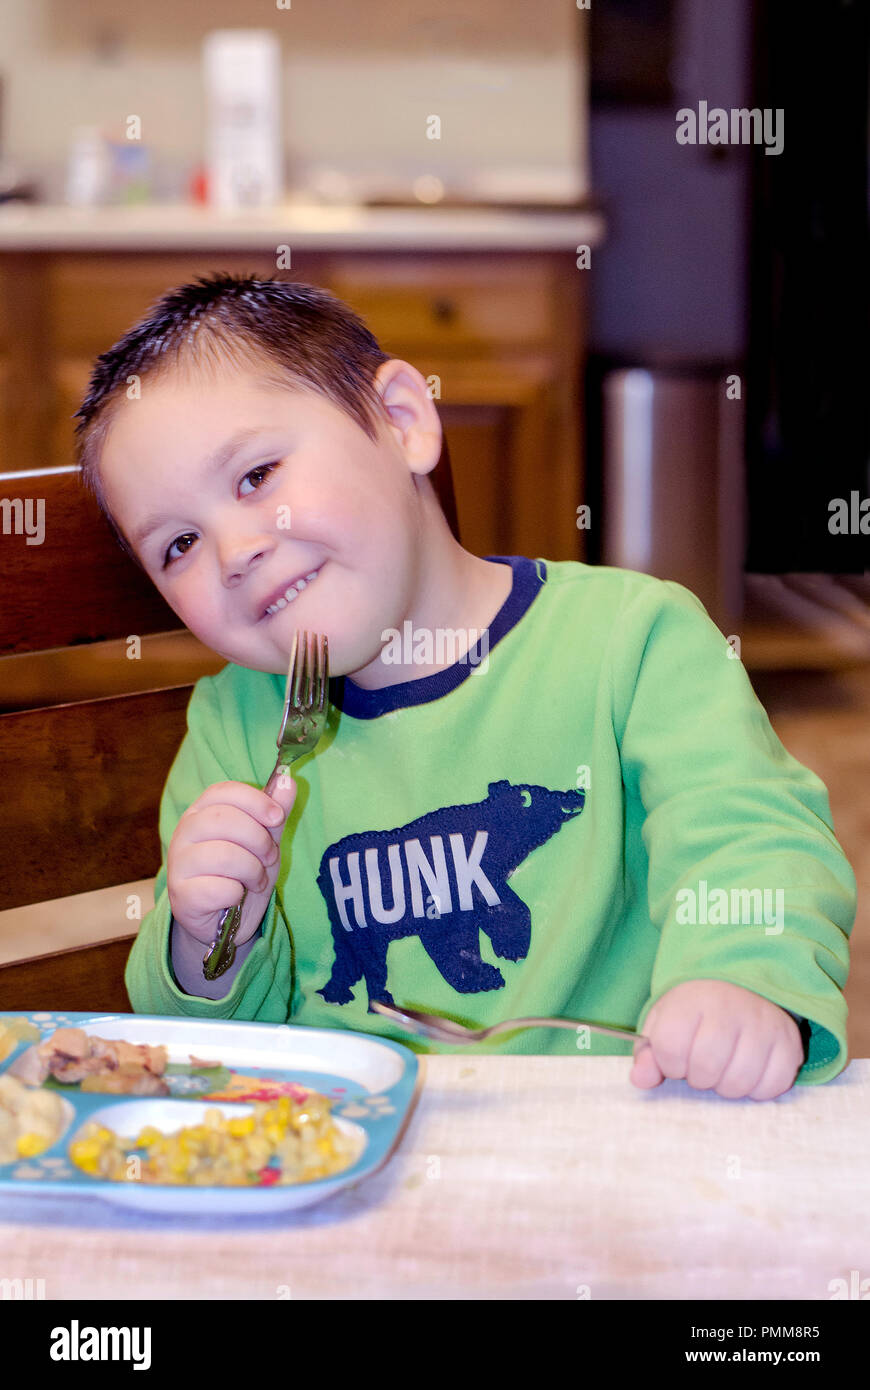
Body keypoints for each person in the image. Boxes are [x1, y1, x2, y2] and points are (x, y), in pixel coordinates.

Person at [72, 273, 855, 1099]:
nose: (234, 551)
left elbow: (748, 838)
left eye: (258, 475)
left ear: (402, 422)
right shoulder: (233, 728)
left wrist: (740, 980)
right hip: (341, 1148)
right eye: (179, 544)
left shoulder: (630, 641)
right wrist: (206, 941)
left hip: (617, 1124)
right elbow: (202, 1051)